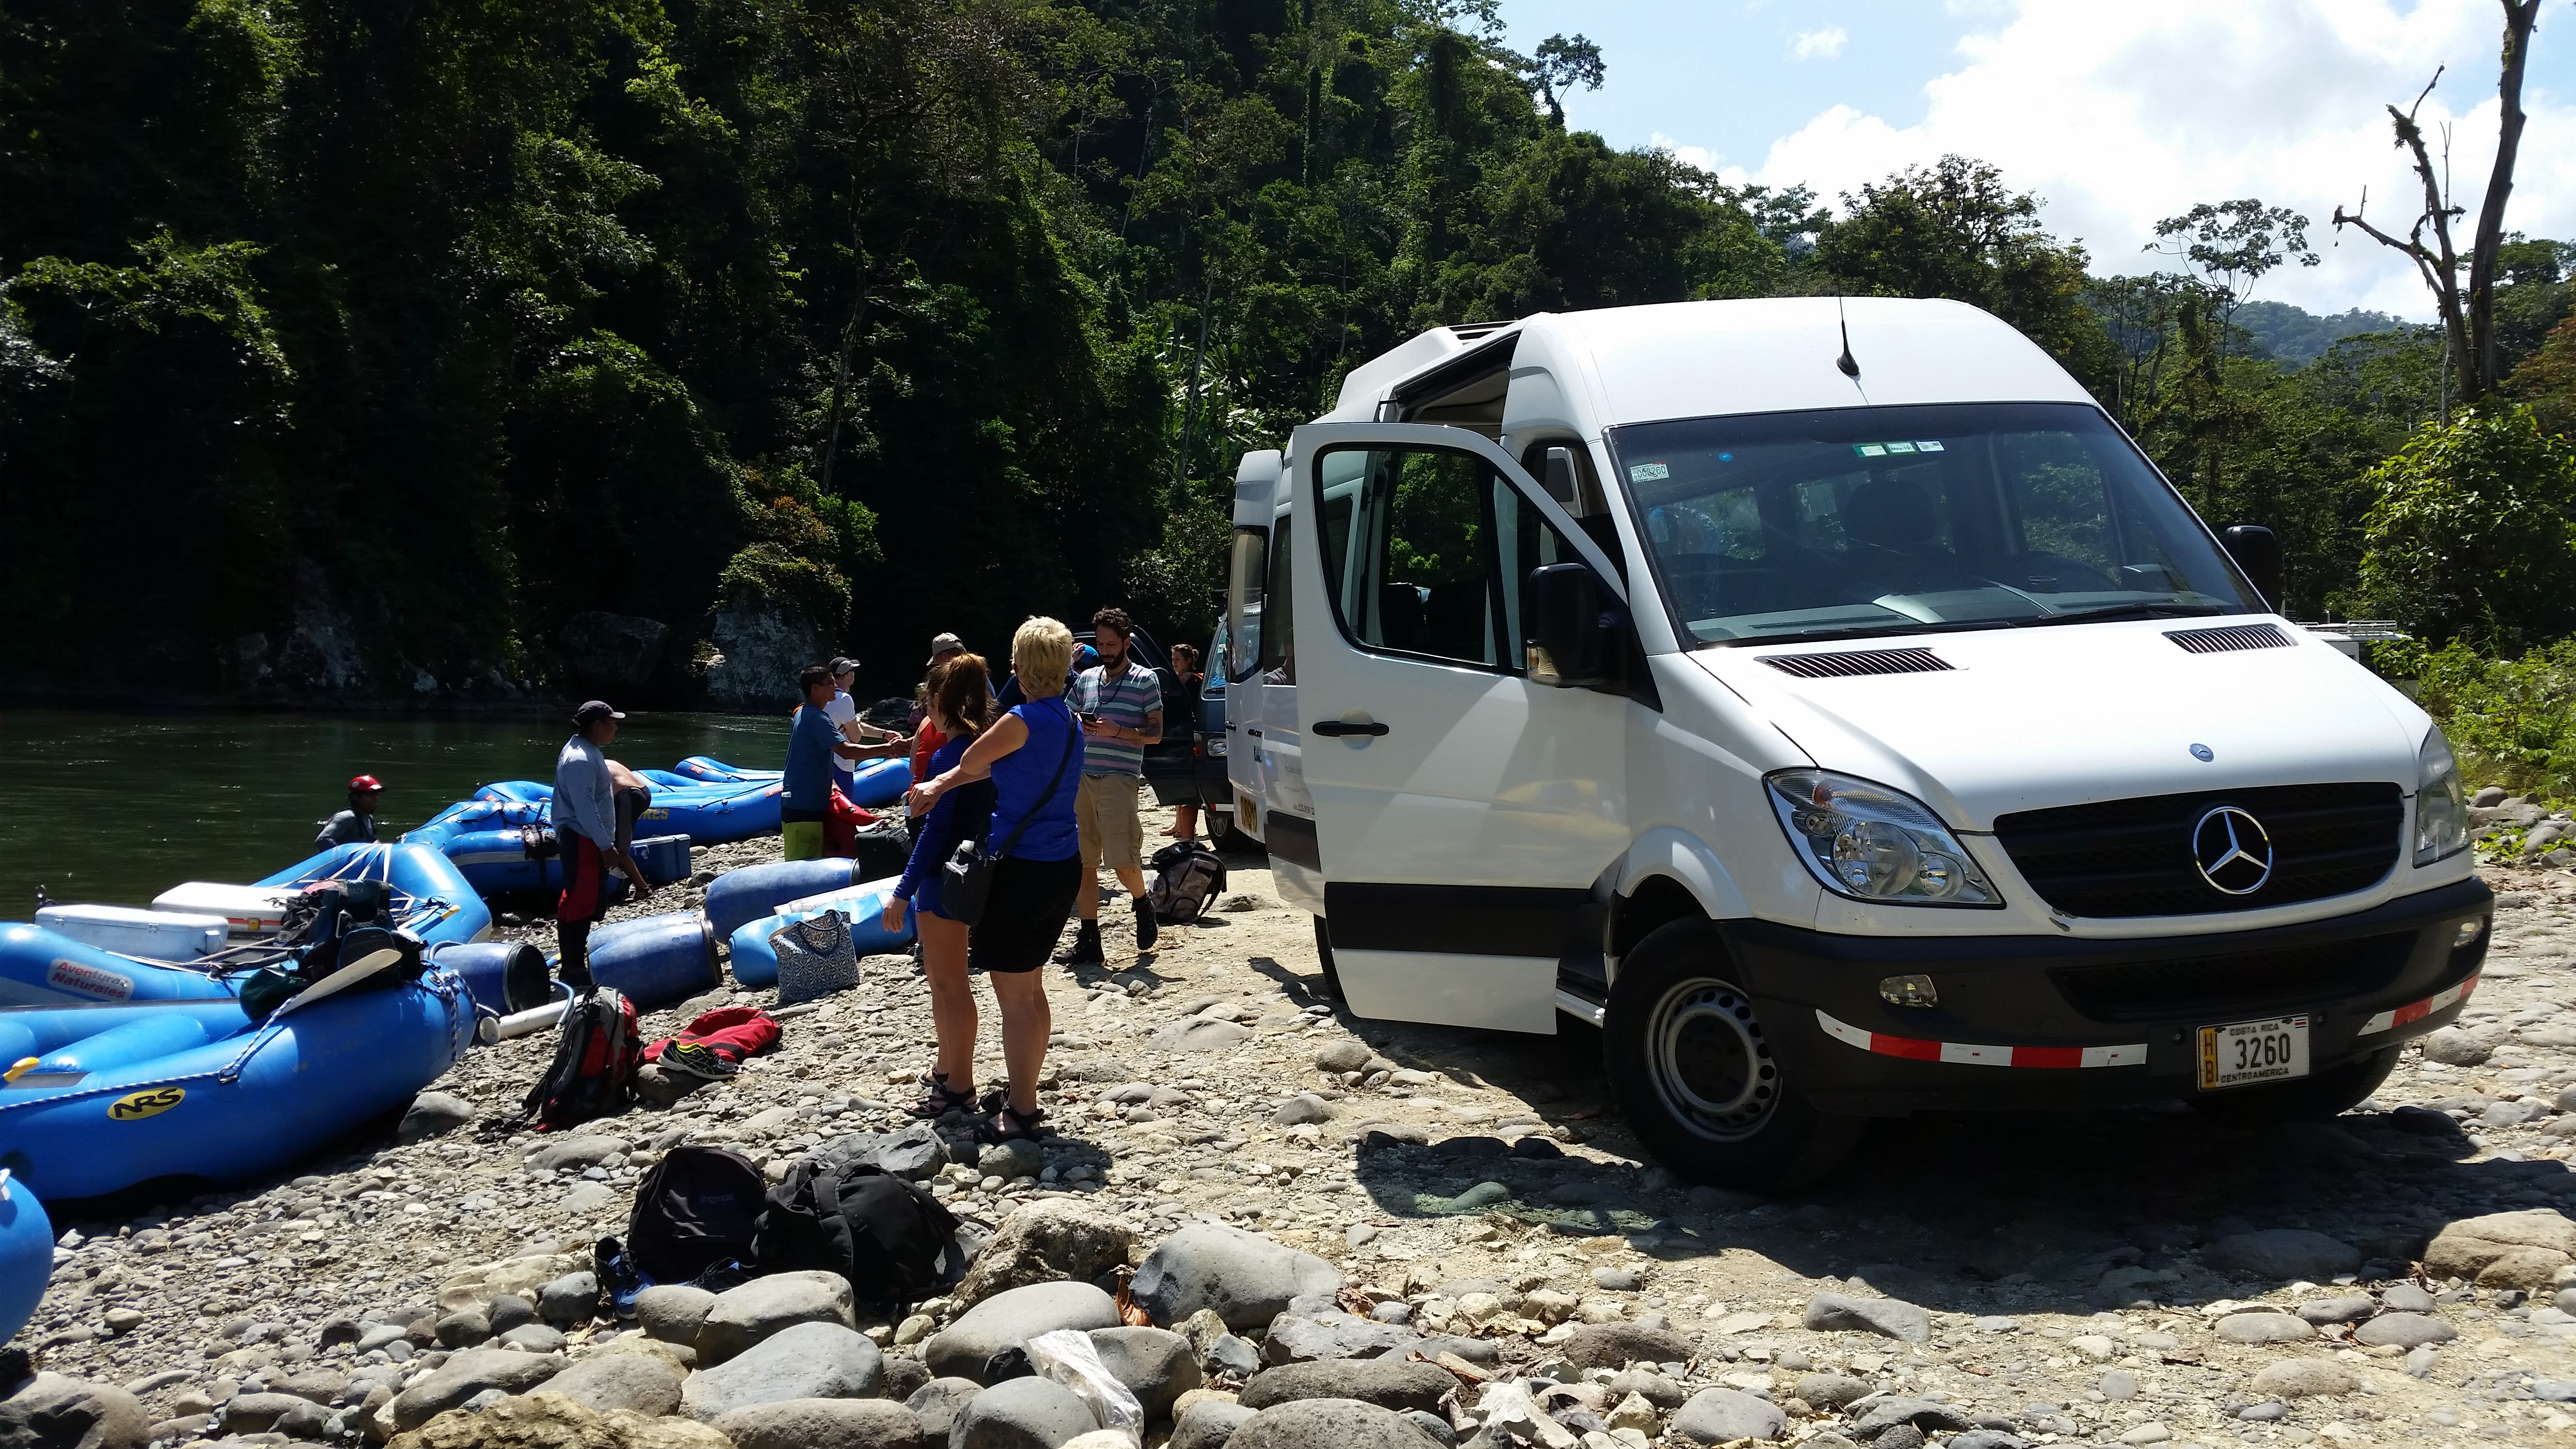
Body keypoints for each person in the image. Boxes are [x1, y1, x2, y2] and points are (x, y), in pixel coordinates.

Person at [905, 616, 1084, 1142]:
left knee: (1015, 997)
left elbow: (972, 762)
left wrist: (936, 784)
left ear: (1019, 668)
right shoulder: (1071, 720)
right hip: (1063, 866)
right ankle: (1022, 1093)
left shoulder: (1021, 720)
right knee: (1031, 987)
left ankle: (1023, 1110)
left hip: (1020, 869)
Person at [883, 654, 998, 1118]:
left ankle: (959, 1084)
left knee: (949, 985)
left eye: (927, 698)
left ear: (938, 701)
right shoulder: (980, 748)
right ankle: (946, 1069)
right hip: (962, 875)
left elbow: (936, 830)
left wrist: (902, 890)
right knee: (944, 983)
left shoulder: (951, 754)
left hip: (942, 881)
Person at [1057, 607, 1163, 965]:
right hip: (1082, 777)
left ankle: (1141, 902)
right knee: (1084, 862)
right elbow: (1067, 716)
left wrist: (1118, 732)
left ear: (1126, 642)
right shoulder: (1087, 679)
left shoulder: (1145, 680)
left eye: (1111, 643)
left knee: (1122, 859)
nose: (1105, 650)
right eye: (1100, 643)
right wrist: (1078, 724)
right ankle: (1089, 938)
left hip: (1120, 777)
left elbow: (1156, 733)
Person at [555, 701, 655, 992]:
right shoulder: (580, 759)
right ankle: (572, 968)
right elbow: (585, 808)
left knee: (585, 899)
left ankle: (574, 961)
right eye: (611, 722)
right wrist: (605, 845)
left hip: (587, 836)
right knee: (579, 899)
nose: (616, 727)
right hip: (582, 837)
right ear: (597, 725)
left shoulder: (587, 752)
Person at [783, 665, 873, 861]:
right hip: (805, 806)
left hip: (799, 801)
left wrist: (831, 783)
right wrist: (890, 749)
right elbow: (846, 751)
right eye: (830, 683)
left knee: (807, 859)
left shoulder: (802, 711)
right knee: (802, 867)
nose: (835, 686)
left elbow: (809, 756)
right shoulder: (817, 717)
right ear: (815, 689)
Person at [1163, 642, 1204, 842]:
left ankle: (1188, 829)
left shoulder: (1195, 682)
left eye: (1178, 659)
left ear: (1189, 661)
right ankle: (1178, 824)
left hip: (1190, 734)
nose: (1175, 663)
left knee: (1187, 783)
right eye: (1173, 659)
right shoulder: (1173, 680)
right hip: (1177, 734)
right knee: (1178, 780)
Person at [315, 775, 384, 850]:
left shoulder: (368, 818)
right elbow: (323, 840)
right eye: (370, 795)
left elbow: (372, 841)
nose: (376, 798)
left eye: (376, 794)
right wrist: (343, 857)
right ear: (356, 797)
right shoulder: (347, 817)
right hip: (344, 860)